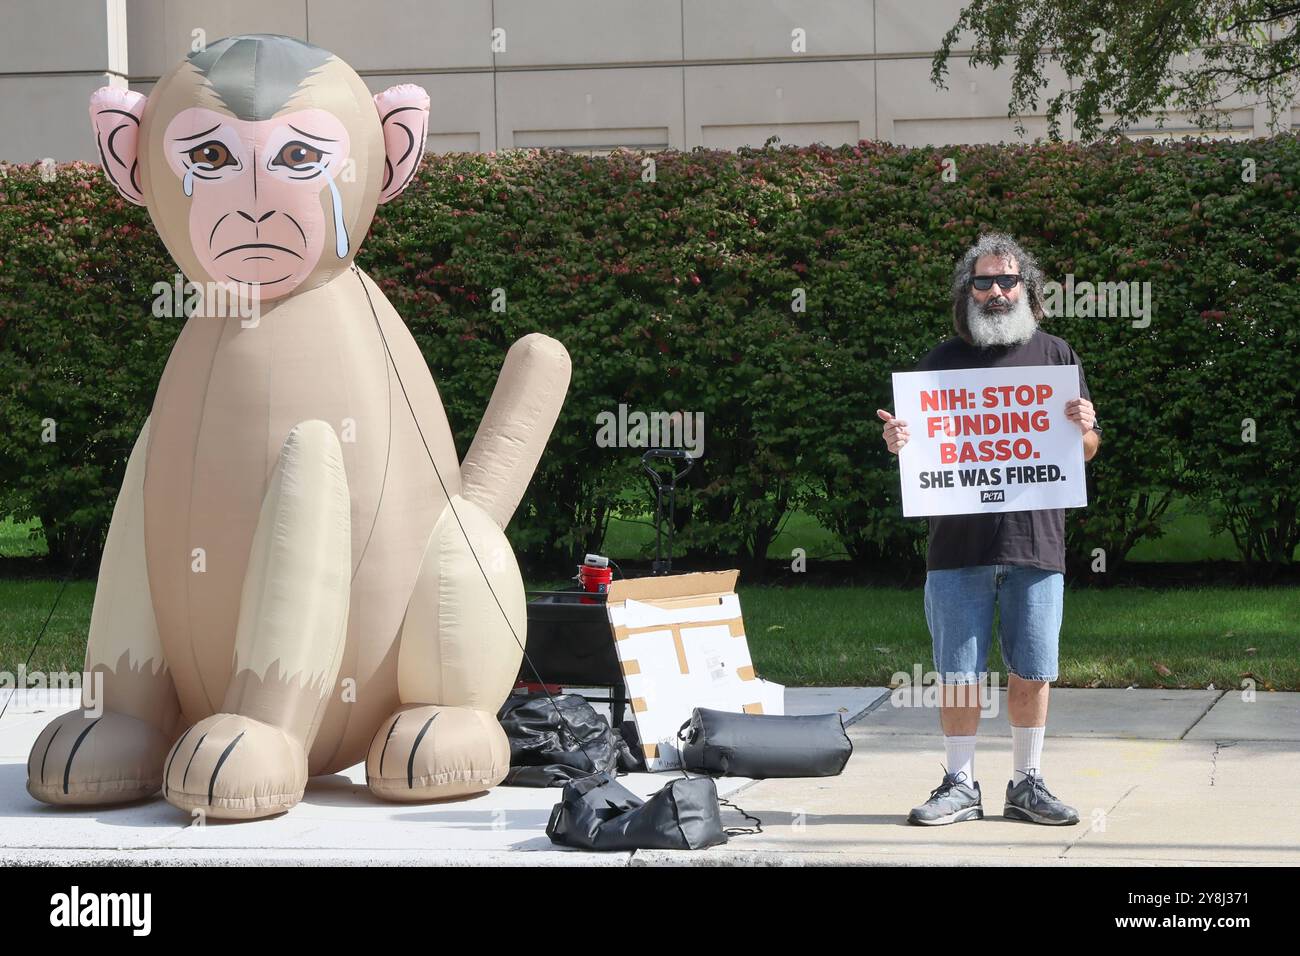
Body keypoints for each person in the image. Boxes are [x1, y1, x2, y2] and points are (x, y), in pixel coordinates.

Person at [876, 233, 1100, 826]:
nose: (997, 291)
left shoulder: (1055, 355)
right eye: (984, 282)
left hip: (1035, 540)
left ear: (1026, 287)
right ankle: (959, 784)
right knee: (958, 674)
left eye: (1007, 281)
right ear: (966, 291)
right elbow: (922, 454)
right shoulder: (940, 362)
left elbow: (1086, 450)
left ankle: (1026, 782)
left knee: (1033, 667)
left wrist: (1086, 426)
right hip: (958, 546)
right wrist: (899, 442)